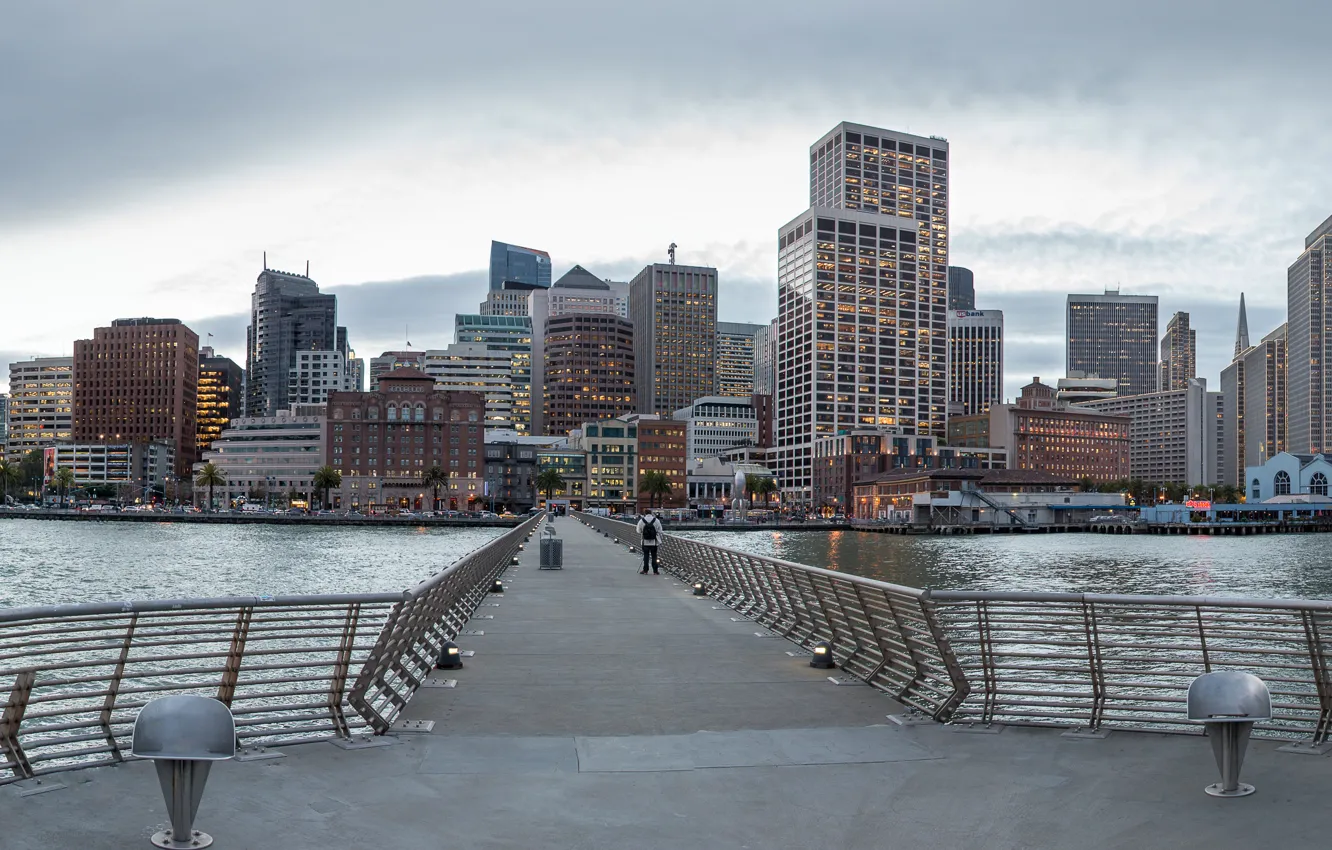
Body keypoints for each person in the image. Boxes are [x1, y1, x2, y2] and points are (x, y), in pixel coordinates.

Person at [636, 509, 664, 574]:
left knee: (646, 555)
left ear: (645, 513)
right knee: (654, 555)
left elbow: (638, 531)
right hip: (654, 541)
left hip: (644, 541)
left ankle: (645, 570)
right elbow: (660, 530)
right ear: (651, 513)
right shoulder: (656, 520)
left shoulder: (641, 521)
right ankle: (655, 571)